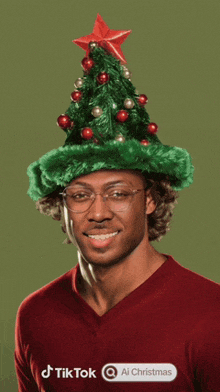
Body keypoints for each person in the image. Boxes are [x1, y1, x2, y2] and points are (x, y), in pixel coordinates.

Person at [15, 15, 220, 392]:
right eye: (79, 195)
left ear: (151, 199)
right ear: (59, 204)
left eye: (118, 193)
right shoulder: (36, 316)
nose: (97, 212)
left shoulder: (212, 315)